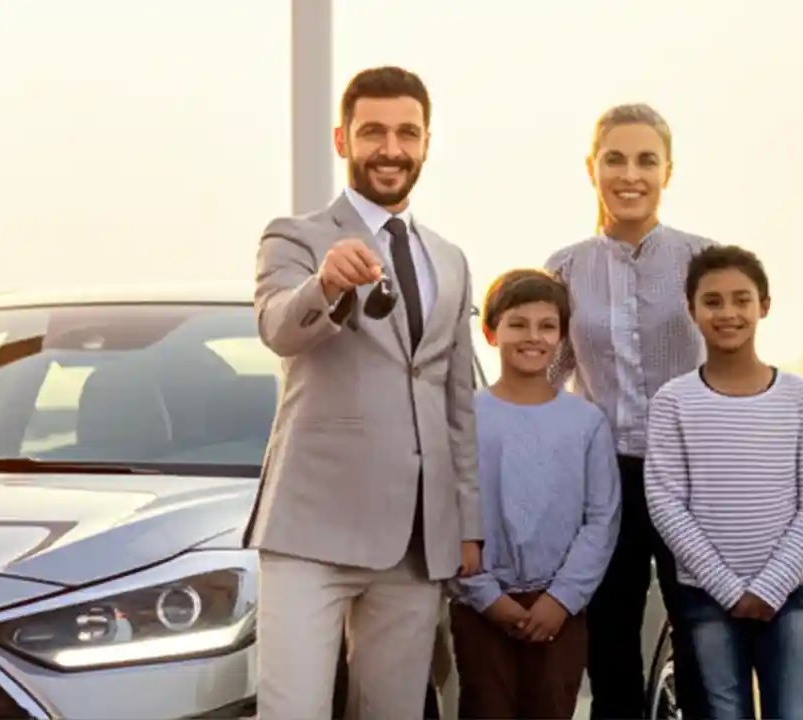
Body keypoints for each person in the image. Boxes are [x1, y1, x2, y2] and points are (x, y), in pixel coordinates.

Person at [248, 65, 481, 720]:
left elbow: (456, 398)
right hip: (309, 531)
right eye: (373, 131)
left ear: (427, 142)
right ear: (342, 139)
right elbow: (277, 329)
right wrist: (323, 286)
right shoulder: (293, 237)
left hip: (415, 539)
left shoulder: (450, 258)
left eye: (407, 133)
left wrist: (468, 521)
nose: (391, 148)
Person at [544, 102, 713, 719]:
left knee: (702, 632)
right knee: (610, 641)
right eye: (615, 159)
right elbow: (546, 378)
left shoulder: (705, 259)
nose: (630, 174)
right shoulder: (565, 268)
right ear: (592, 168)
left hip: (691, 473)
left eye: (647, 160)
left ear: (668, 170)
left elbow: (733, 367)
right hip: (603, 480)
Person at [644, 245, 803, 719]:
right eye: (712, 301)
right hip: (706, 599)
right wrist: (729, 589)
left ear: (763, 306)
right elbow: (666, 503)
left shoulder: (799, 397)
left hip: (788, 596)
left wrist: (770, 586)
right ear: (692, 311)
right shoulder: (674, 401)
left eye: (741, 299)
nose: (727, 313)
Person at [450, 269, 621, 719]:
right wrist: (487, 597)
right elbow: (449, 513)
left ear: (562, 337)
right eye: (517, 324)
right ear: (490, 332)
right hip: (480, 609)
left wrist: (562, 598)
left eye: (547, 326)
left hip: (559, 612)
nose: (533, 337)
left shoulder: (586, 423)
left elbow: (601, 521)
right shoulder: (464, 418)